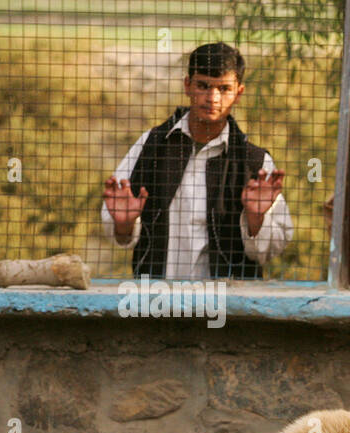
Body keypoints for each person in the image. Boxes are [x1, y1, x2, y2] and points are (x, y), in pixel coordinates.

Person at [101, 43, 292, 280]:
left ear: (239, 93)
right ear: (187, 85)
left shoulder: (255, 162)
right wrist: (124, 224)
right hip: (157, 301)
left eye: (224, 89)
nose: (212, 98)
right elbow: (116, 221)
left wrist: (255, 219)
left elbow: (276, 245)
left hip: (227, 307)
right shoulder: (151, 145)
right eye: (203, 86)